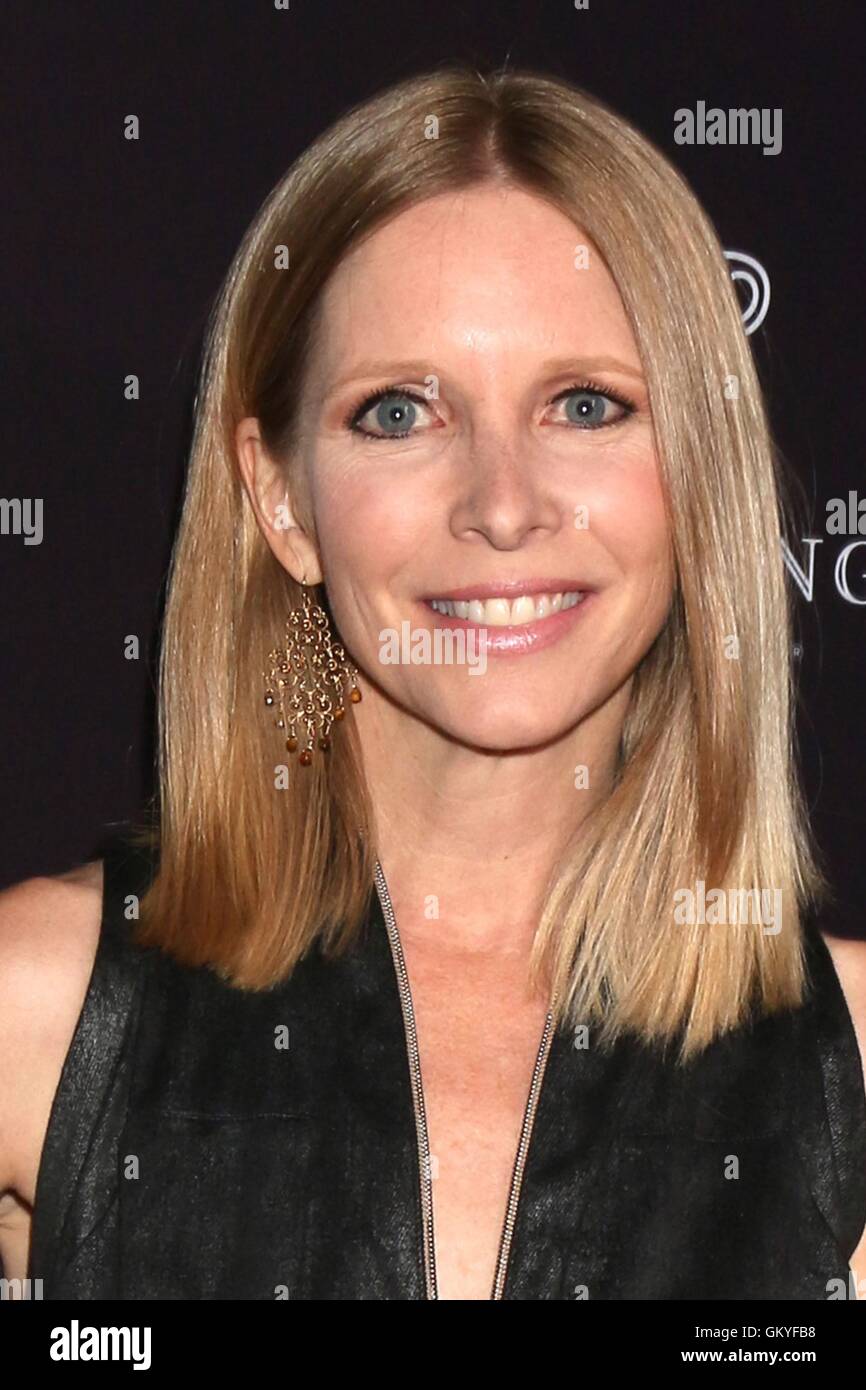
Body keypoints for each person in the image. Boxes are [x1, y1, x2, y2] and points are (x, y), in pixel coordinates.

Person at [1, 64, 865, 1302]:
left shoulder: (843, 1067)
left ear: (696, 469)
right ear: (280, 499)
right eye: (399, 413)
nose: (503, 506)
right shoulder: (36, 1005)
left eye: (584, 404)